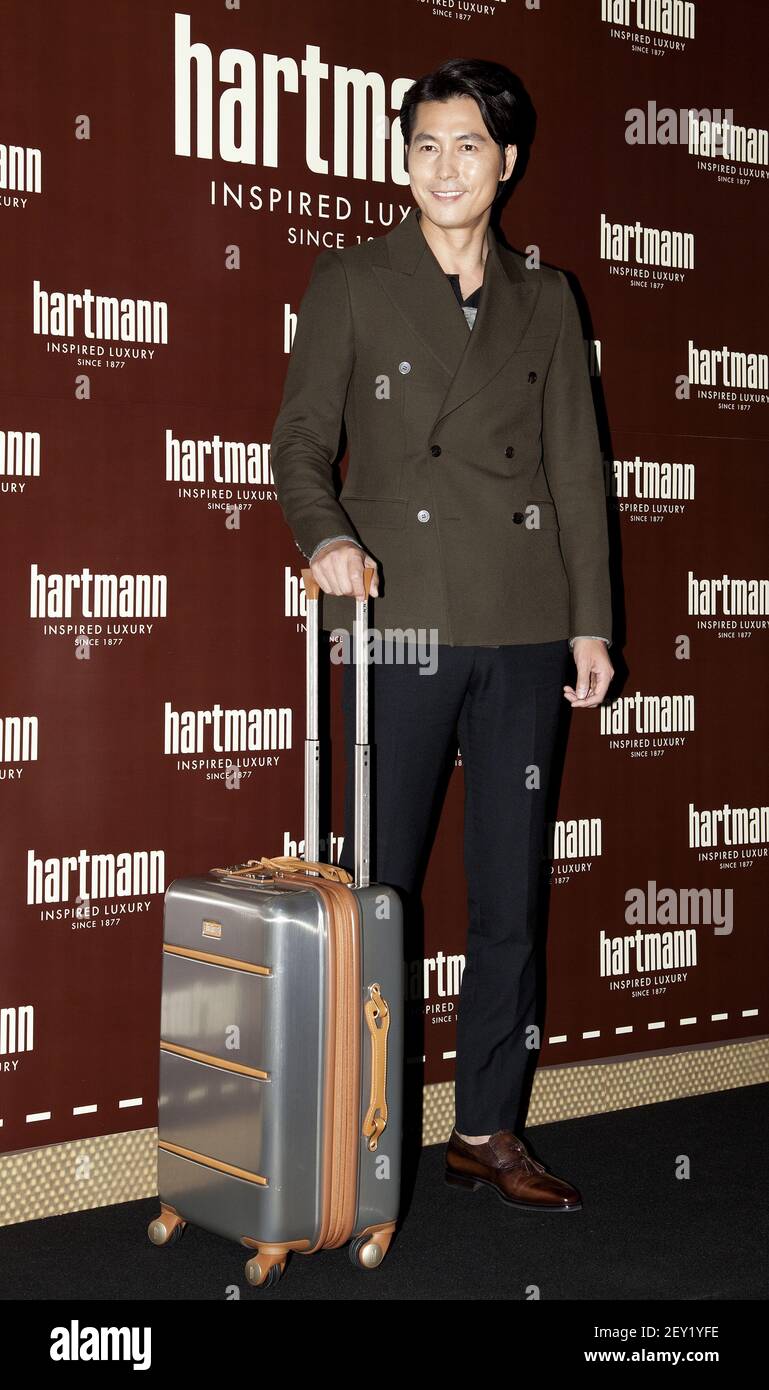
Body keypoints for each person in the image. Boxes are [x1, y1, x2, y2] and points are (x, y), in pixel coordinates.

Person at [270, 58, 614, 1212]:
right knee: (377, 890)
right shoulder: (352, 281)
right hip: (395, 618)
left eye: (468, 145)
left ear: (505, 161)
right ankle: (348, 1136)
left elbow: (576, 469)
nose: (445, 166)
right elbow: (300, 442)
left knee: (511, 889)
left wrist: (588, 624)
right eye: (425, 145)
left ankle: (487, 1128)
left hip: (519, 623)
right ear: (402, 159)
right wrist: (325, 540)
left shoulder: (548, 298)